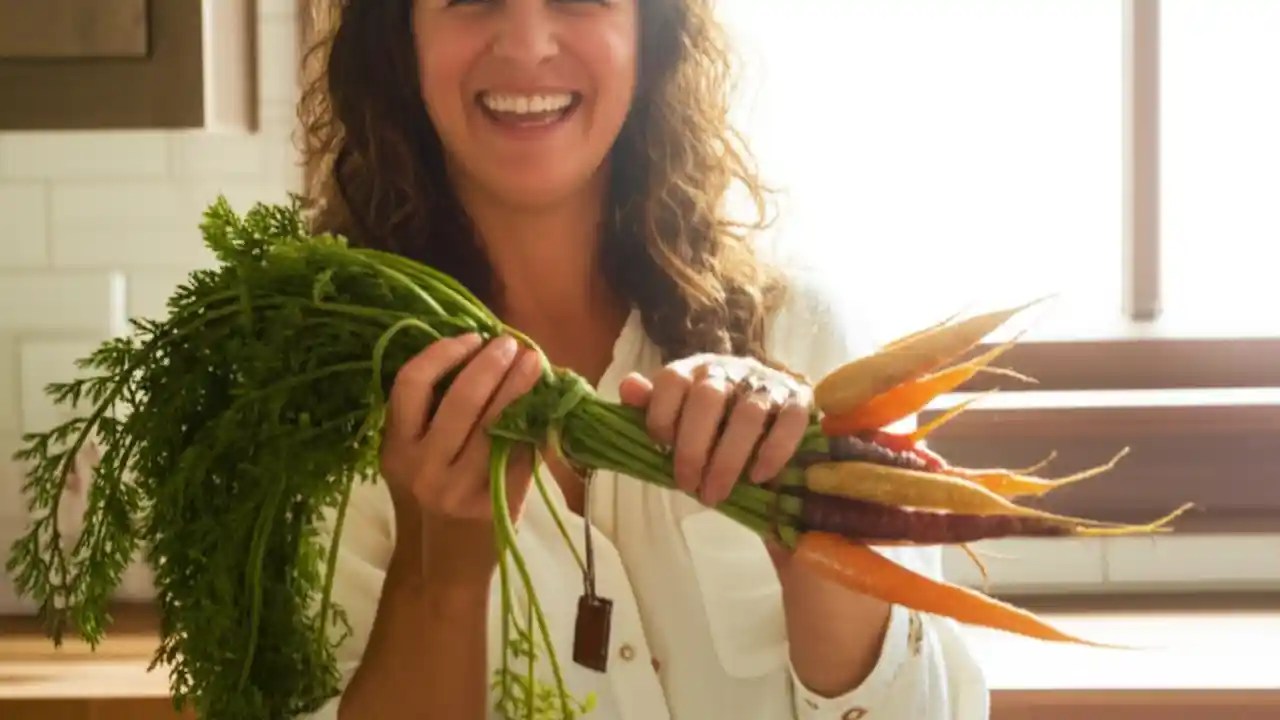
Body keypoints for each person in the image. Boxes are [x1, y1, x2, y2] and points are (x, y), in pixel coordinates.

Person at [297, 1, 989, 718]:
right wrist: (436, 577)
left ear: (647, 32)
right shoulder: (312, 404)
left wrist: (822, 551)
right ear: (401, 37)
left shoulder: (802, 341)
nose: (529, 44)